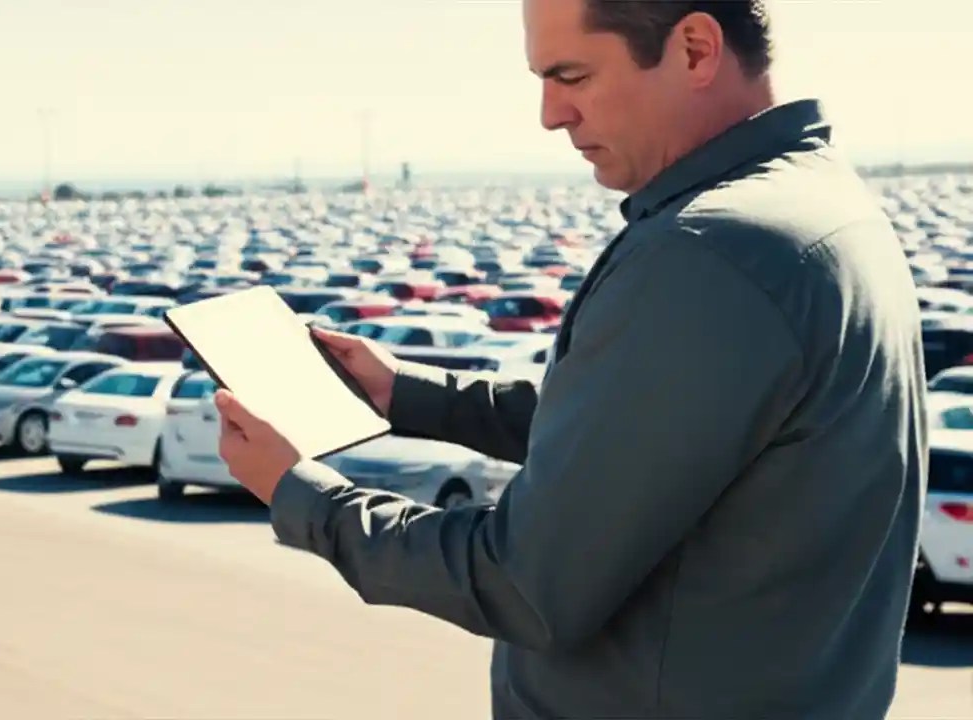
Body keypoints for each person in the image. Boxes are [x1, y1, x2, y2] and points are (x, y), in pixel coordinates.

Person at [212, 0, 928, 717]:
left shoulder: (709, 251)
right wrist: (407, 394)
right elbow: (645, 433)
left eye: (572, 75)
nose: (551, 114)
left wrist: (300, 493)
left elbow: (523, 584)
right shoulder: (824, 205)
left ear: (696, 50)